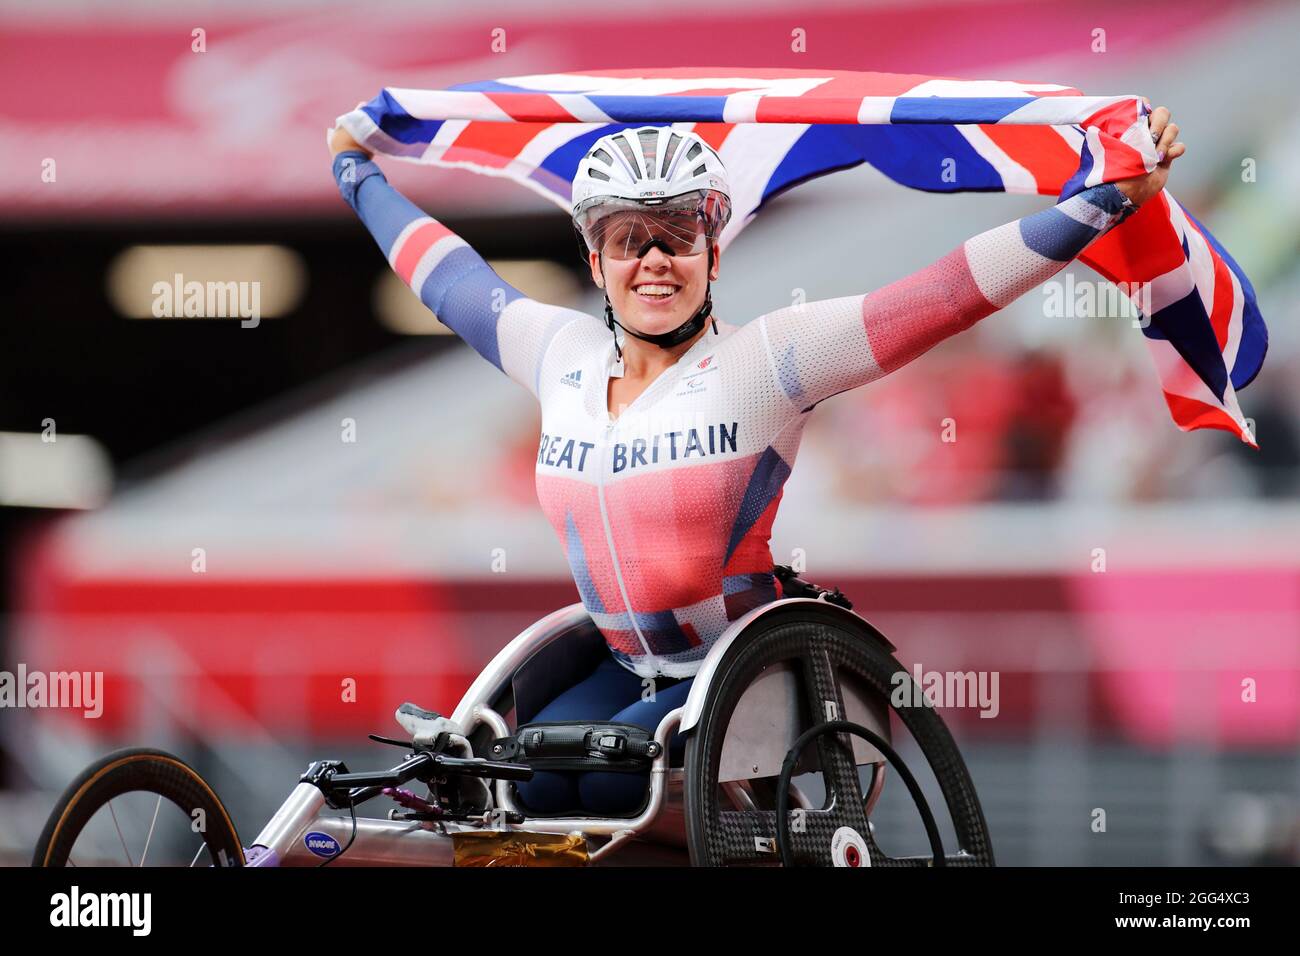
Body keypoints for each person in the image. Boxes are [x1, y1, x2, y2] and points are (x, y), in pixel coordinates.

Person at [328, 108, 1183, 815]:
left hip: (739, 668)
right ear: (595, 258)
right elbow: (450, 281)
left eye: (678, 234)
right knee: (518, 791)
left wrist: (1099, 204)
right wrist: (357, 174)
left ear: (714, 249)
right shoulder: (561, 353)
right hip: (621, 664)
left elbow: (938, 298)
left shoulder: (768, 358)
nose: (655, 259)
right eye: (630, 238)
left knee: (604, 784)